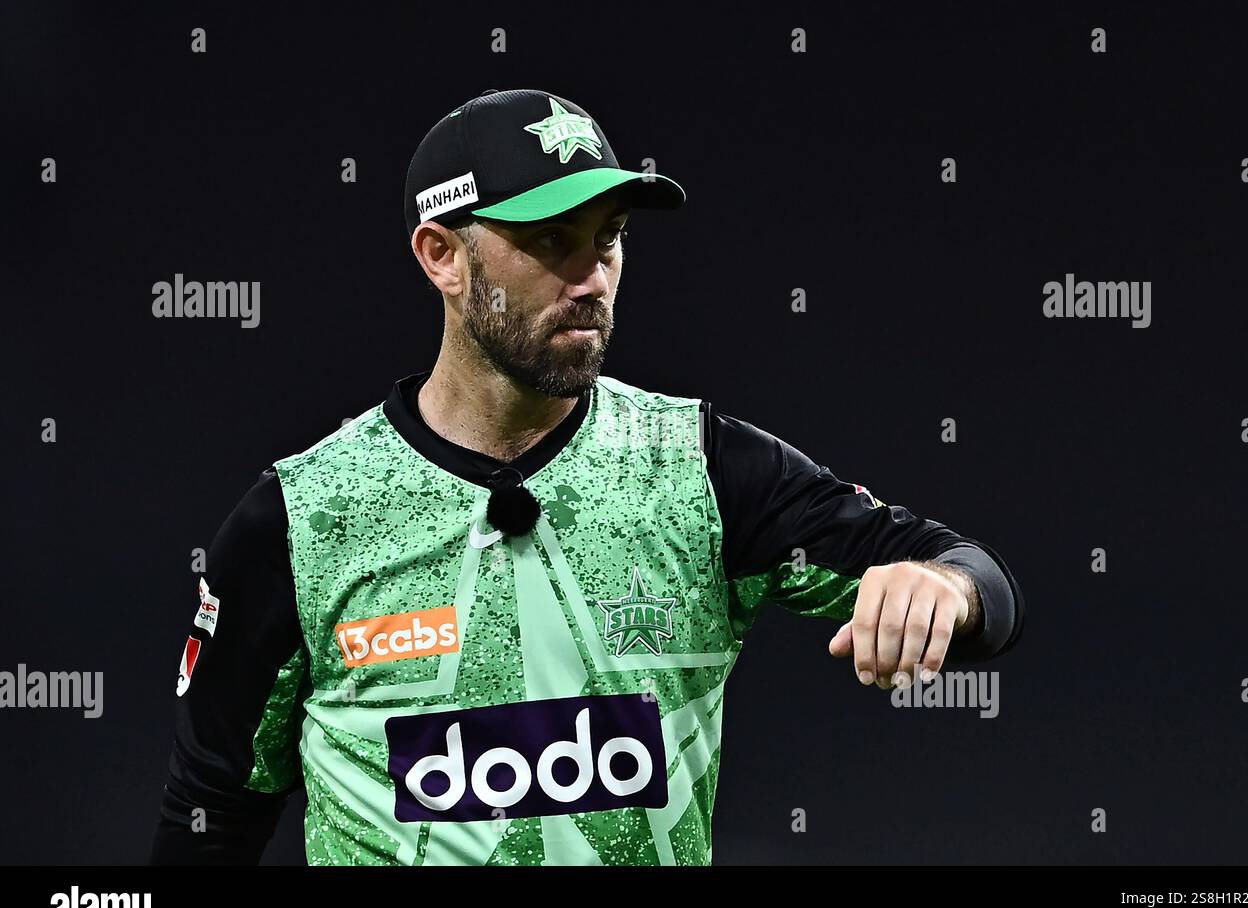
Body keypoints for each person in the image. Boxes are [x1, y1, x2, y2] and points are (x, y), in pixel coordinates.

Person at [150, 88, 1025, 866]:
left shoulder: (701, 467)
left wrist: (944, 586)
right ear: (441, 255)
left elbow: (982, 586)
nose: (591, 278)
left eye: (608, 241)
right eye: (548, 242)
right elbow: (213, 813)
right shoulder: (304, 515)